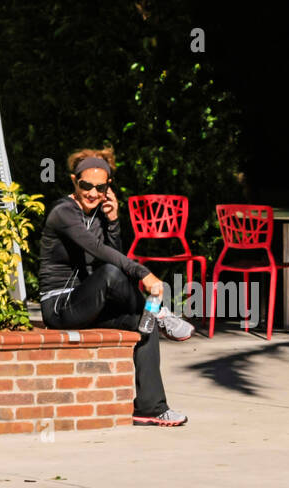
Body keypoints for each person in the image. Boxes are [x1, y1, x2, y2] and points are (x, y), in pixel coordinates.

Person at [37, 147, 193, 426]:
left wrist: (112, 221)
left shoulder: (98, 214)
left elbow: (113, 256)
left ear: (108, 187)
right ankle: (158, 310)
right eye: (86, 186)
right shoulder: (63, 212)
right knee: (113, 275)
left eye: (100, 187)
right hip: (60, 306)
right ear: (74, 181)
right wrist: (144, 274)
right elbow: (102, 255)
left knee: (142, 322)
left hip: (88, 303)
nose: (93, 193)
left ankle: (150, 407)